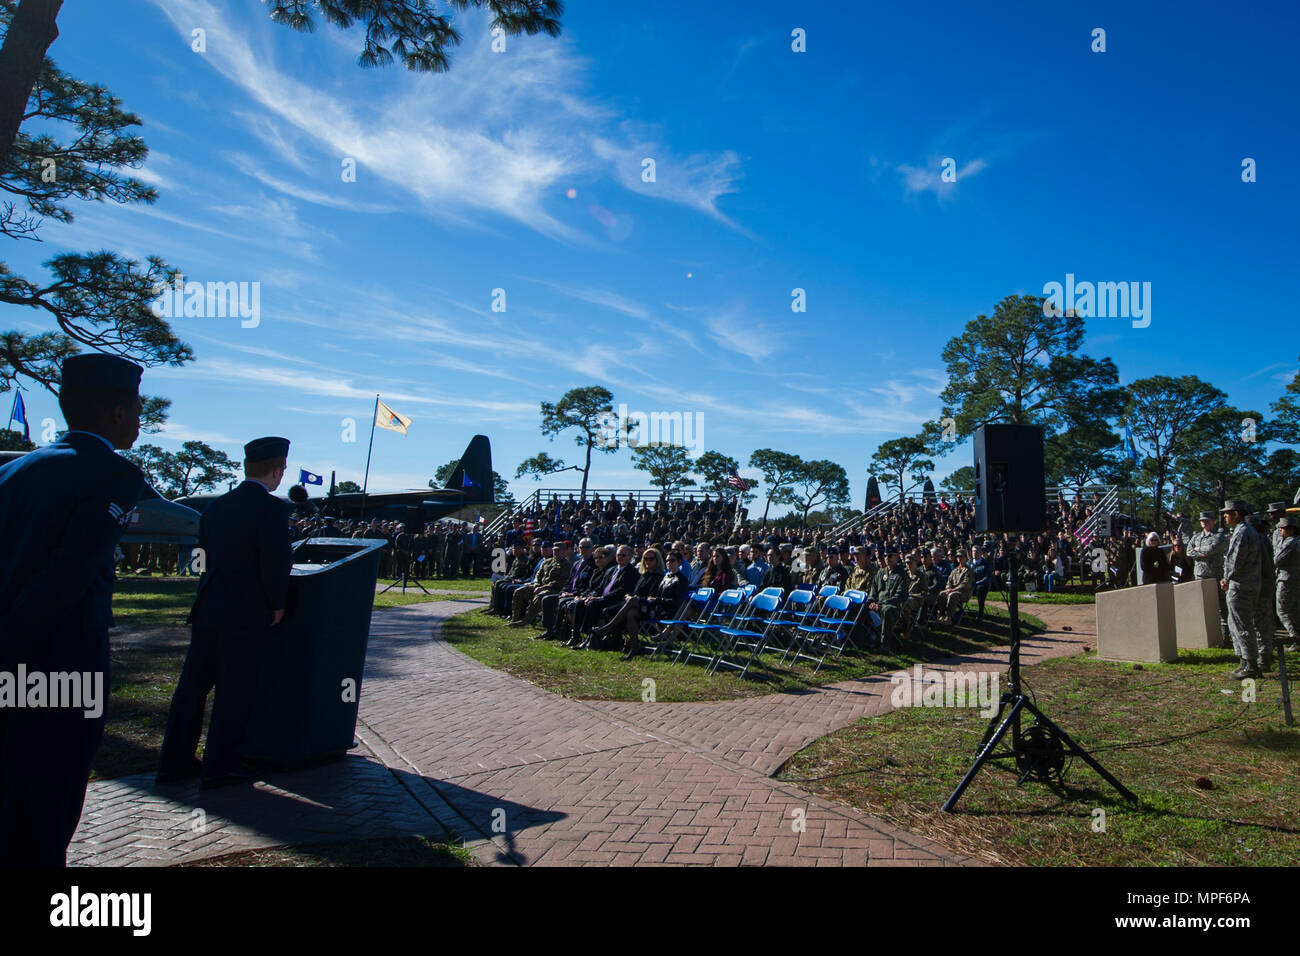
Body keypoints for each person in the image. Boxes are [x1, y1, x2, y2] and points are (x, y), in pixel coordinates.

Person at [0, 354, 147, 866]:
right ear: (115, 413)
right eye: (135, 409)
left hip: (11, 656)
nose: (138, 419)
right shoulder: (113, 474)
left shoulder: (17, 468)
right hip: (63, 656)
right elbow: (69, 575)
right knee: (52, 796)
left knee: (13, 788)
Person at [157, 436, 294, 788]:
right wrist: (277, 603)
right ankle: (221, 764)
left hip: (209, 604)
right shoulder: (272, 509)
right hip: (246, 610)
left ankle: (174, 760)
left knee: (193, 687)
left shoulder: (217, 507)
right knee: (235, 689)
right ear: (277, 470)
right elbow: (275, 562)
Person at [1219, 501, 1263, 679]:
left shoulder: (1242, 531)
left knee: (1242, 624)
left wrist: (1226, 578)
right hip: (1247, 583)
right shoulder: (1246, 530)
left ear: (1236, 514)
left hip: (1241, 585)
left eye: (1227, 513)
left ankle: (1251, 665)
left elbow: (1235, 560)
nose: (1225, 516)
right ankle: (1245, 661)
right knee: (1238, 623)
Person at [1186, 511, 1229, 643]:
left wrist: (1198, 550)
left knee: (1222, 606)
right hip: (1200, 575)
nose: (1204, 522)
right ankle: (1205, 636)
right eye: (1202, 521)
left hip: (1215, 575)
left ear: (1213, 521)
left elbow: (1213, 549)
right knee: (1203, 606)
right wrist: (1200, 551)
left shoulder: (1219, 536)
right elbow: (1189, 551)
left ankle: (1225, 636)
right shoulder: (1196, 537)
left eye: (1207, 520)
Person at [1274, 517, 1299, 653]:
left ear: (1290, 529)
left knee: (1282, 610)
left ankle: (1295, 637)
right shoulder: (1294, 542)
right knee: (1294, 609)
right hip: (1293, 579)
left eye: (1282, 528)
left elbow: (1277, 559)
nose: (1280, 531)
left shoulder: (1290, 543)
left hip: (1287, 579)